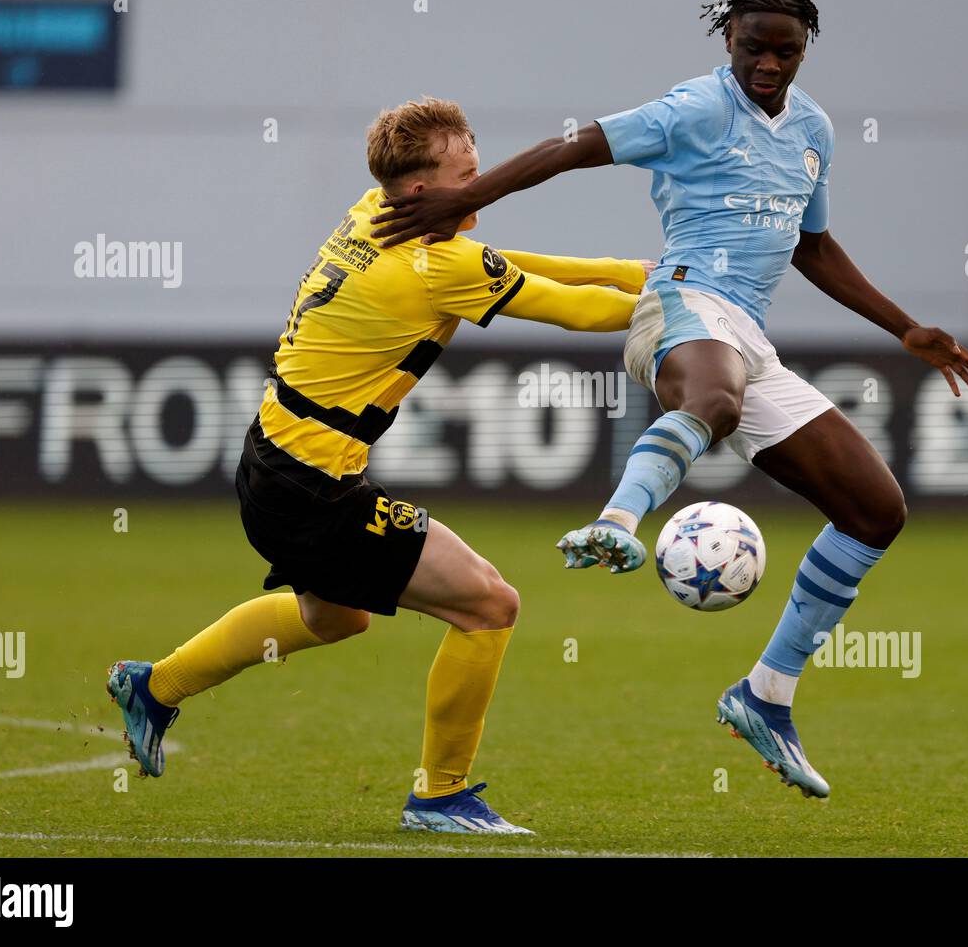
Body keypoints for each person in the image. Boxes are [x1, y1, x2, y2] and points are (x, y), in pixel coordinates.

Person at [369, 0, 968, 799]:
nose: (767, 64)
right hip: (682, 303)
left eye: (785, 50)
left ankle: (766, 695)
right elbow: (573, 146)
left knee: (876, 510)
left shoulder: (813, 130)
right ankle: (618, 521)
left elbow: (812, 245)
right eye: (752, 48)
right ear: (727, 40)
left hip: (748, 336)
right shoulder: (693, 108)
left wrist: (906, 325)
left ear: (805, 47)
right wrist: (453, 205)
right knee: (716, 400)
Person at [107, 97, 648, 834]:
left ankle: (156, 686)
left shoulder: (375, 211)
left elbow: (499, 265)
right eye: (468, 174)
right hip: (313, 487)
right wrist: (680, 295)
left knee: (335, 616)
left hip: (276, 459)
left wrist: (627, 270)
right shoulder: (435, 265)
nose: (481, 186)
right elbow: (577, 312)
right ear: (424, 191)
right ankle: (441, 796)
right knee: (490, 604)